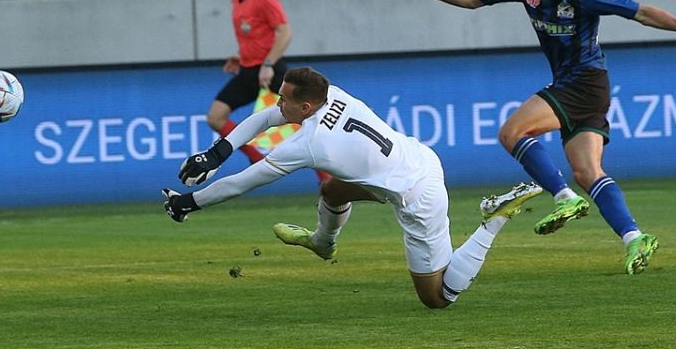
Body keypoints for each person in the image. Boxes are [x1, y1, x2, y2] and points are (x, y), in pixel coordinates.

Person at [392, 0, 676, 274]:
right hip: (585, 87)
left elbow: (641, 12)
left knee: (512, 132)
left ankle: (563, 197)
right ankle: (634, 238)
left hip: (583, 82)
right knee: (588, 172)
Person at [163, 66, 544, 309]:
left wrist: (188, 202)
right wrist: (216, 153)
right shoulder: (334, 93)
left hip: (417, 195)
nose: (278, 103)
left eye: (285, 98)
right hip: (417, 158)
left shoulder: (308, 144)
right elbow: (266, 117)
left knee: (437, 297)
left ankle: (493, 220)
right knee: (333, 190)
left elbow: (243, 183)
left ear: (307, 106)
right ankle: (322, 243)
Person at [207, 0, 294, 166]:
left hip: (269, 70)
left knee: (308, 119)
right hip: (248, 70)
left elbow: (285, 32)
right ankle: (257, 160)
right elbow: (254, 34)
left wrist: (268, 63)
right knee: (215, 117)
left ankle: (327, 177)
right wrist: (240, 55)